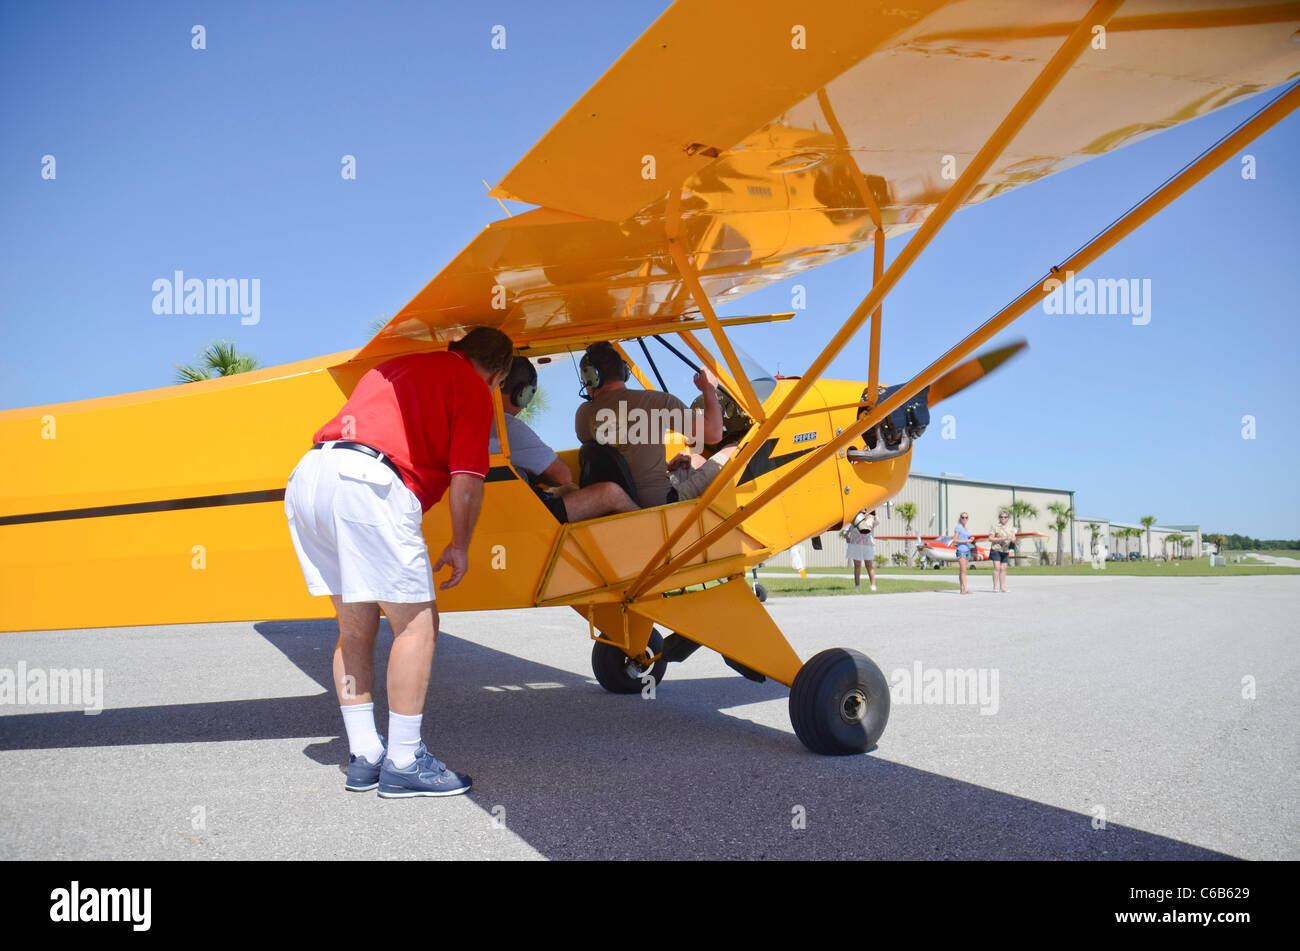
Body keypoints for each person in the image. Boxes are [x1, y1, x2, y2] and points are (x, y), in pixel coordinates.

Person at [284, 325, 513, 798]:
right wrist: (461, 544)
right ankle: (406, 759)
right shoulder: (471, 385)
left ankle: (366, 754)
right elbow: (468, 482)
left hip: (310, 474)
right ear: (498, 373)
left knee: (353, 628)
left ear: (456, 349)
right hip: (368, 484)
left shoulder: (397, 366)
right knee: (416, 626)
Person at [573, 341, 722, 507]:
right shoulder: (659, 401)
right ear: (623, 371)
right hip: (661, 503)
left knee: (696, 459)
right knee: (734, 449)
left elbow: (616, 456)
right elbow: (714, 434)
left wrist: (666, 465)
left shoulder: (583, 415)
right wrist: (709, 389)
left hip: (620, 504)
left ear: (592, 377)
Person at [489, 357, 637, 521]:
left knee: (569, 489)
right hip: (520, 515)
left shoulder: (476, 418)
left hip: (496, 507)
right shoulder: (504, 426)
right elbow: (561, 476)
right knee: (611, 493)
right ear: (522, 394)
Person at [844, 509, 878, 591]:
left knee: (869, 565)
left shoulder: (871, 520)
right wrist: (847, 537)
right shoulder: (853, 521)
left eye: (865, 512)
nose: (864, 514)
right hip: (855, 545)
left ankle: (873, 585)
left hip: (867, 545)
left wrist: (875, 514)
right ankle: (857, 586)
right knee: (857, 566)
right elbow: (846, 531)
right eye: (862, 513)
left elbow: (877, 520)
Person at [988, 509, 1014, 593]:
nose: (1003, 518)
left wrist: (1012, 539)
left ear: (1008, 518)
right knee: (997, 567)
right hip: (996, 549)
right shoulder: (995, 526)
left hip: (1005, 550)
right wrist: (1001, 538)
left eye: (1005, 517)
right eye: (1001, 517)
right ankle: (995, 587)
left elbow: (1014, 537)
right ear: (999, 518)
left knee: (1004, 568)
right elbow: (990, 538)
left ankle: (1003, 587)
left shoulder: (1011, 528)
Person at [953, 511, 973, 594]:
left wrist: (971, 538)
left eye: (966, 517)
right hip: (961, 550)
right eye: (963, 517)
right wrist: (966, 540)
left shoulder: (966, 529)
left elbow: (967, 537)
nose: (964, 519)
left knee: (962, 571)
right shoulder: (958, 527)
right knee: (963, 570)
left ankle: (962, 588)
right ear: (960, 518)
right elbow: (955, 540)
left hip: (967, 550)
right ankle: (965, 589)